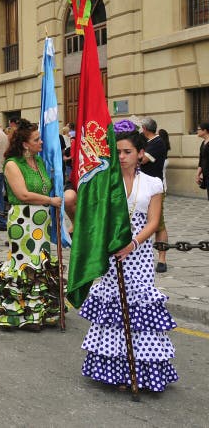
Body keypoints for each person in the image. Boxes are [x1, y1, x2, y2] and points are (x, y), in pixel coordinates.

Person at [79, 123, 178, 391]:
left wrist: (133, 243)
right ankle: (116, 369)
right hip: (113, 250)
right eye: (118, 152)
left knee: (139, 308)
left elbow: (154, 220)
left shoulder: (153, 183)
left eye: (127, 152)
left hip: (140, 251)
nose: (121, 156)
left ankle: (143, 370)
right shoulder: (106, 181)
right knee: (115, 310)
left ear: (140, 154)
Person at [0, 118, 63, 330]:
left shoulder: (40, 162)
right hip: (23, 220)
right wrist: (50, 201)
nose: (41, 142)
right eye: (37, 139)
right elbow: (22, 194)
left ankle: (39, 311)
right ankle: (18, 311)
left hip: (41, 222)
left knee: (40, 264)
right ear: (26, 144)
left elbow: (46, 186)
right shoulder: (12, 164)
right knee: (24, 263)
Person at [139, 117, 169, 272]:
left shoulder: (157, 143)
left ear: (145, 128)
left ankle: (162, 259)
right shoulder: (148, 143)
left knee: (158, 224)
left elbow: (143, 160)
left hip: (155, 188)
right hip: (143, 187)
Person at [197, 122, 209, 200]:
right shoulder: (203, 143)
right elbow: (201, 160)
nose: (197, 131)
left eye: (198, 129)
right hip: (206, 174)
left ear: (205, 130)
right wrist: (198, 174)